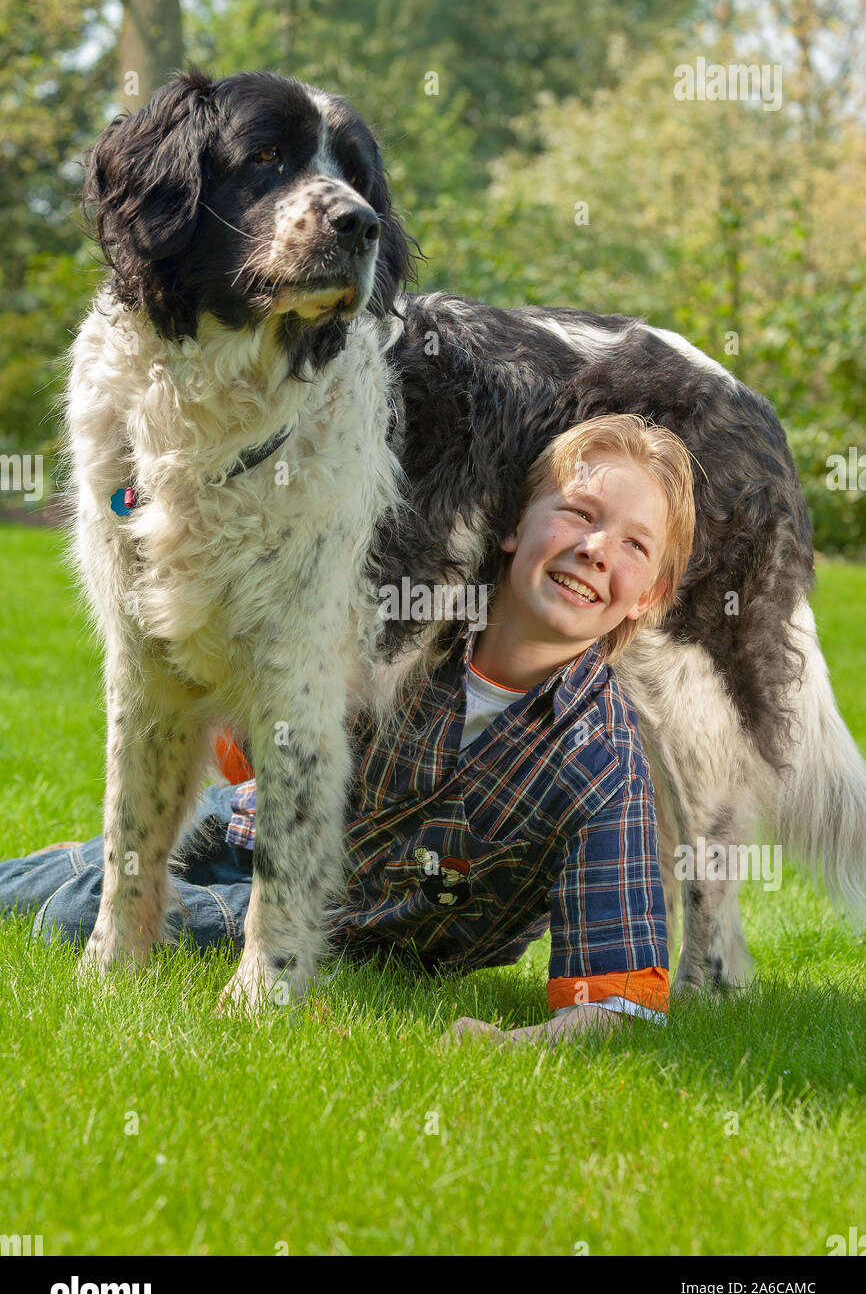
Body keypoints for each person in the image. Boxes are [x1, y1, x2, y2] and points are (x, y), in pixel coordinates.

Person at [0, 412, 695, 1047]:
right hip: (246, 825)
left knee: (72, 914)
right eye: (577, 513)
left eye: (634, 544)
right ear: (515, 526)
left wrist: (511, 1044)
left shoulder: (603, 765)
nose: (597, 550)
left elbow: (621, 1005)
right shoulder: (411, 619)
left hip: (348, 931)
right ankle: (78, 856)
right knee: (29, 883)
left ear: (650, 597)